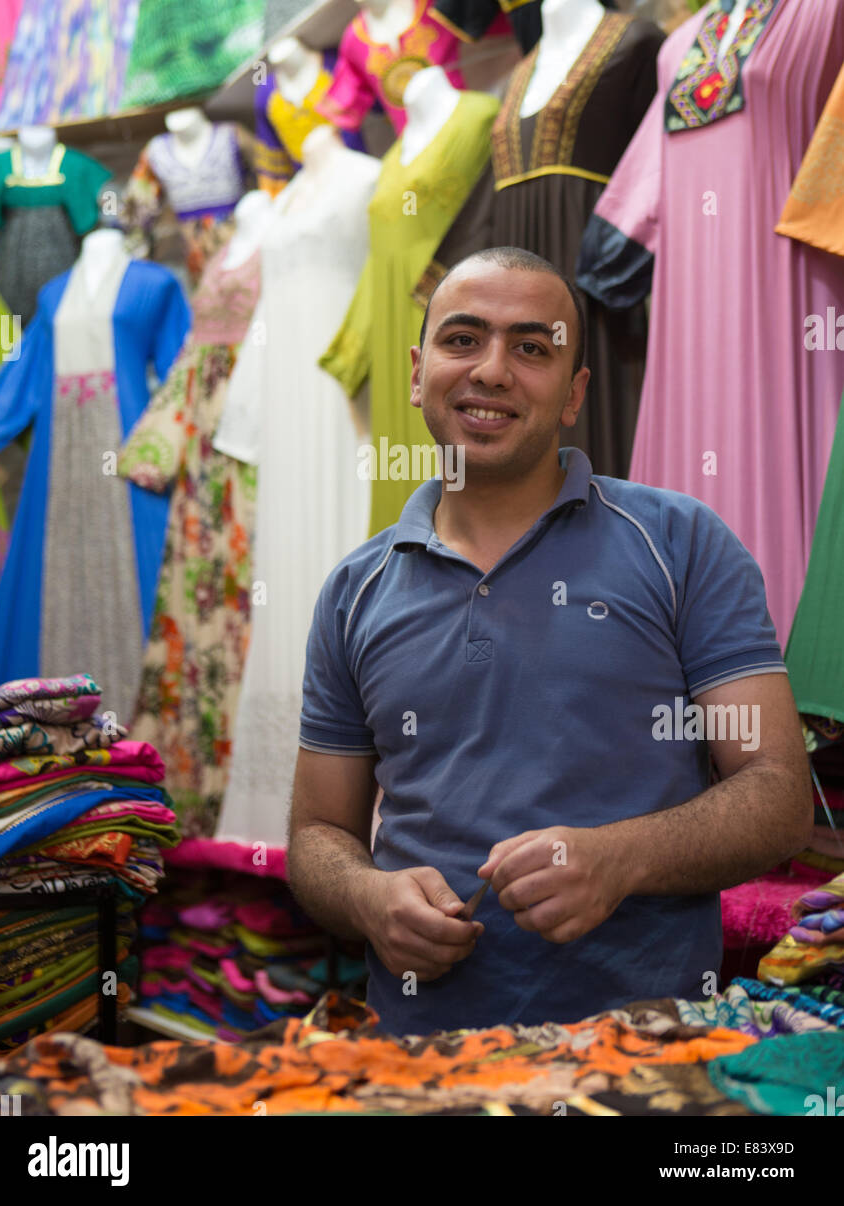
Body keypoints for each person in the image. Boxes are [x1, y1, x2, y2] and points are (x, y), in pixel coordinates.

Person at [287, 245, 813, 1036]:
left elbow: (778, 792)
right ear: (416, 371)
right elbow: (317, 834)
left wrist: (619, 859)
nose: (491, 371)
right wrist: (367, 899)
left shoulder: (680, 545)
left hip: (644, 1054)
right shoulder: (354, 591)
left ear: (575, 394)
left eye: (532, 348)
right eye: (462, 339)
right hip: (421, 1060)